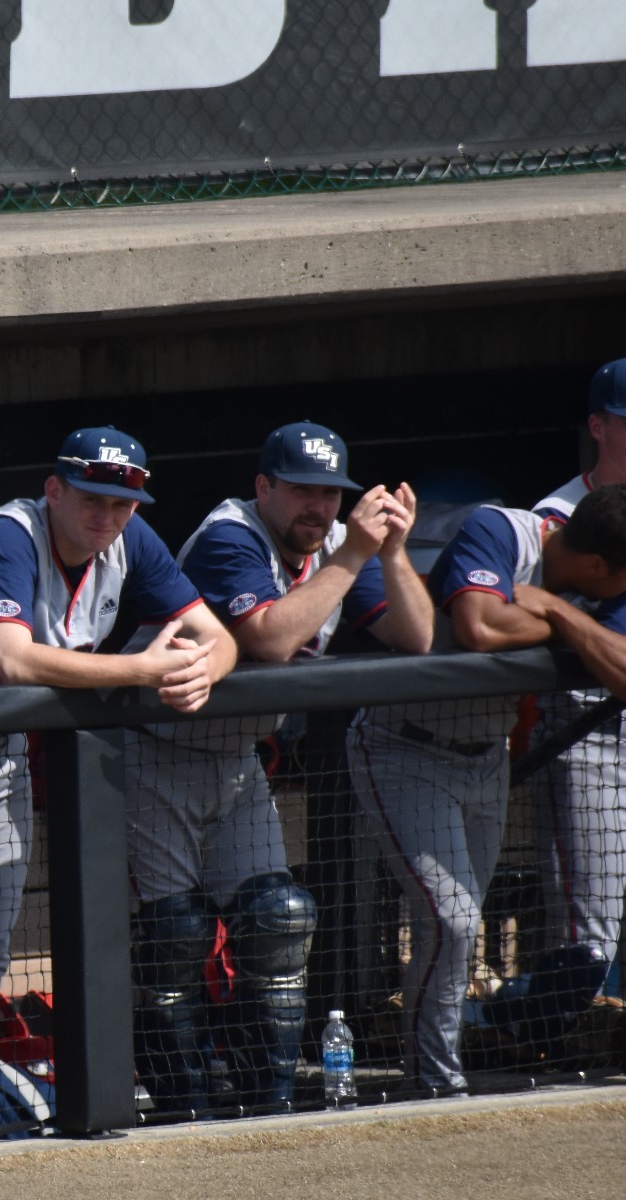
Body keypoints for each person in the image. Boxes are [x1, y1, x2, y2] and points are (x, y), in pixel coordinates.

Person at [124, 424, 433, 1112]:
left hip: (236, 760)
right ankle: (185, 1107)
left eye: (330, 493)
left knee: (280, 918)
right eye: (302, 490)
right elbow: (268, 637)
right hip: (156, 752)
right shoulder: (230, 535)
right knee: (175, 937)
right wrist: (351, 551)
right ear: (264, 487)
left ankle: (270, 1102)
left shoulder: (334, 552)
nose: (318, 507)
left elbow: (416, 636)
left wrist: (392, 550)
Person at [349, 484, 626, 1093]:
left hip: (485, 758)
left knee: (458, 931)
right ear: (594, 565)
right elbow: (479, 626)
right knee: (454, 923)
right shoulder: (499, 528)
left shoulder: (600, 586)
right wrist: (577, 627)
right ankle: (435, 1082)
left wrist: (557, 610)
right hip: (404, 746)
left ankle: (441, 1069)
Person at [0, 428, 237, 1113]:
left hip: (18, 754)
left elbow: (221, 637)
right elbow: (12, 660)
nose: (109, 517)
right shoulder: (10, 532)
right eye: (93, 499)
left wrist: (201, 673)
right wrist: (145, 669)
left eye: (123, 504)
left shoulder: (130, 537)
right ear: (54, 490)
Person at [525, 355, 626, 1020]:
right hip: (589, 729)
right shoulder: (555, 518)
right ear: (597, 425)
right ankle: (559, 1050)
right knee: (590, 930)